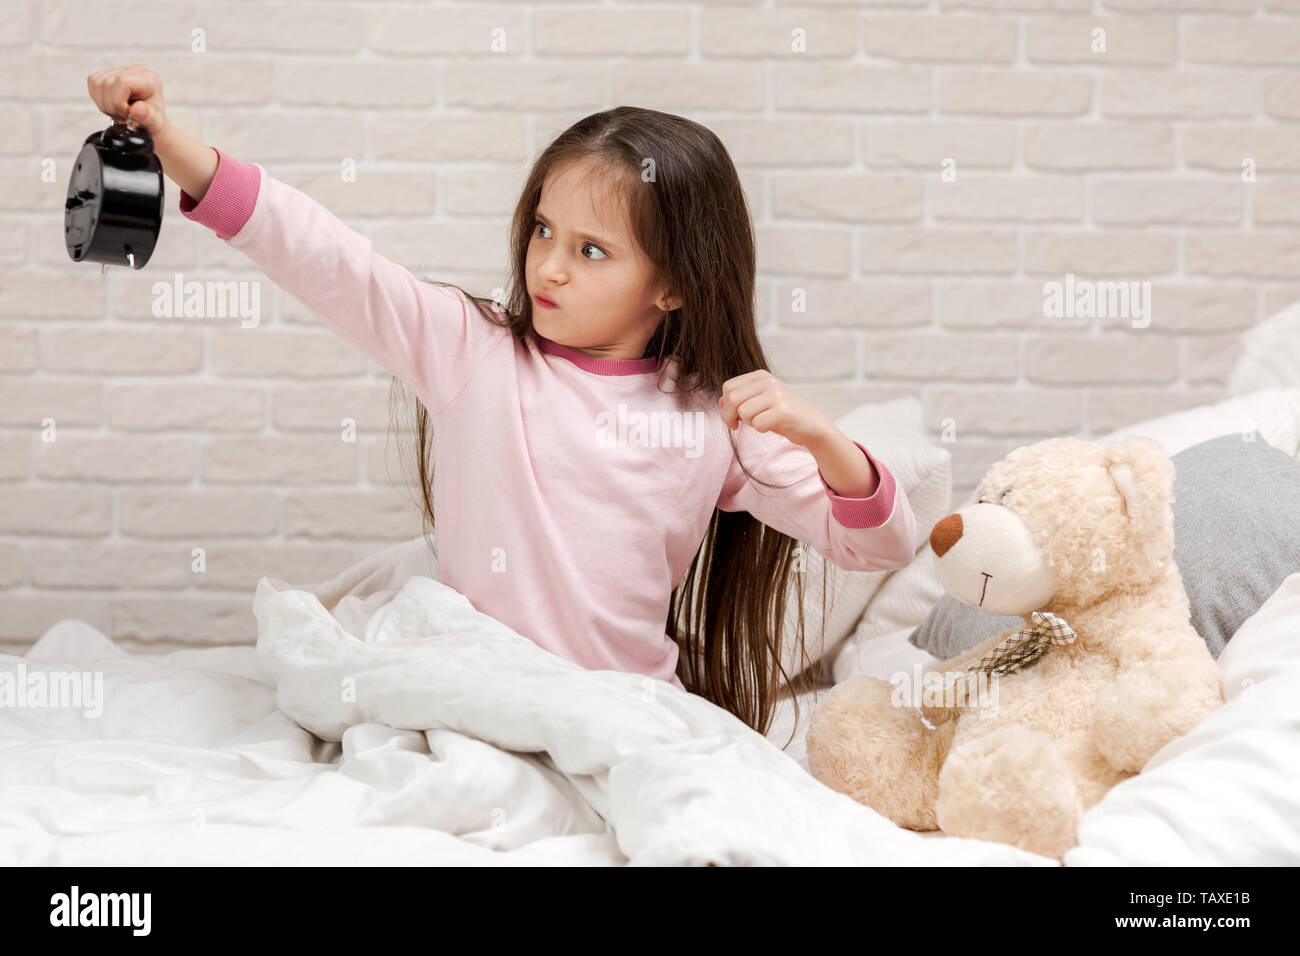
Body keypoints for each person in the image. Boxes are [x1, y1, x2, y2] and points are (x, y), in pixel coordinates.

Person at [86, 65, 916, 741]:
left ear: (672, 286)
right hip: (473, 689)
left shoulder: (713, 421)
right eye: (544, 230)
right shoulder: (472, 350)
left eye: (591, 250)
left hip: (626, 711)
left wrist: (822, 439)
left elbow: (880, 548)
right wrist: (174, 149)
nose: (547, 266)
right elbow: (326, 257)